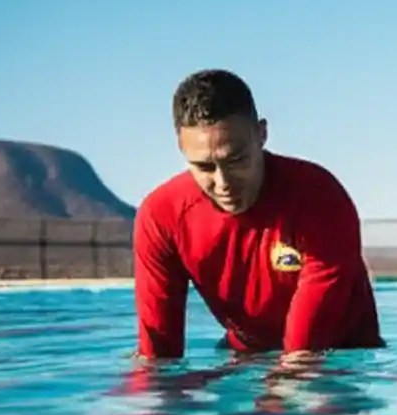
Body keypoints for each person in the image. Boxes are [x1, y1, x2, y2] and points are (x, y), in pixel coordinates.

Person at [132, 69, 383, 362]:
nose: (223, 183)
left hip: (342, 355)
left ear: (262, 133)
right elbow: (157, 357)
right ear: (181, 148)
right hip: (246, 356)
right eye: (204, 167)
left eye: (237, 160)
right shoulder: (161, 217)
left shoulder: (318, 196)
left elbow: (303, 355)